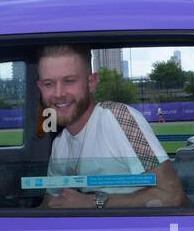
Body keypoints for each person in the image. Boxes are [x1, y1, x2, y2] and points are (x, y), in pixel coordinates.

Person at [36, 45, 186, 208]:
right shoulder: (60, 144)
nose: (58, 93)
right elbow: (51, 203)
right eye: (49, 83)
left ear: (92, 83)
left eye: (69, 81)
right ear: (40, 88)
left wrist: (91, 202)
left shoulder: (121, 119)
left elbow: (172, 195)